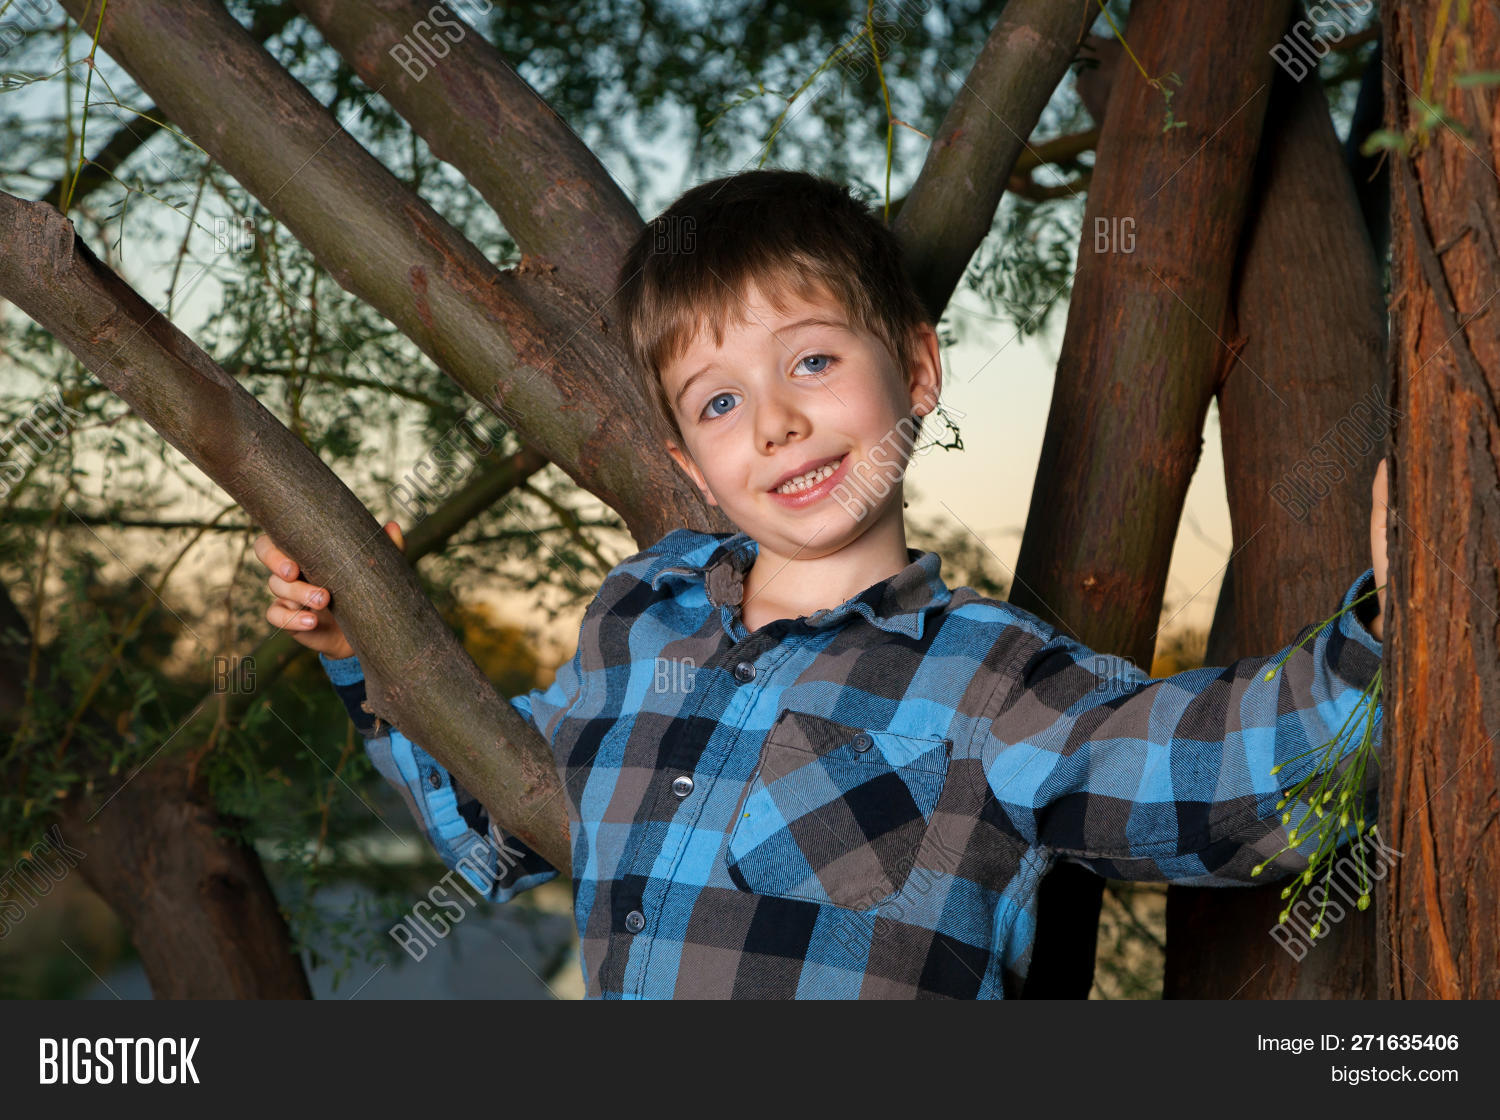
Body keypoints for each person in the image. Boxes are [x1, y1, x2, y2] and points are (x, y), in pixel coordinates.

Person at [255, 169, 1388, 998]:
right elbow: (492, 826)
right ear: (689, 463)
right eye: (718, 400)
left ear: (919, 367)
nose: (779, 422)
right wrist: (365, 658)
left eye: (811, 360)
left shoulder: (992, 683)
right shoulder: (639, 622)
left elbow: (1233, 783)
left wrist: (1394, 617)